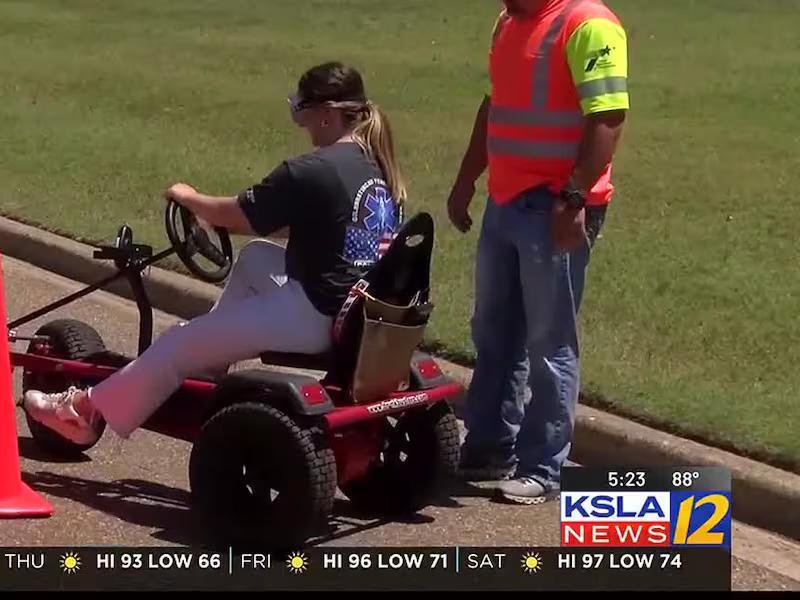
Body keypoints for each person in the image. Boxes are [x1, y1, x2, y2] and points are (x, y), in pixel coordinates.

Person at [24, 61, 406, 445]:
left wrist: (189, 198)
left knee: (179, 342)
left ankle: (83, 413)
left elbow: (237, 217)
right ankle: (208, 367)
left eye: (302, 112)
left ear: (325, 114)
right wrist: (216, 219)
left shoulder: (313, 170)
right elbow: (312, 225)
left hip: (316, 313)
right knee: (257, 258)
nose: (301, 123)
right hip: (359, 314)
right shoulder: (376, 164)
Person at [447, 0, 629, 503]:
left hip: (555, 205)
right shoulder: (509, 21)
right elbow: (495, 105)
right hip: (505, 199)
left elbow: (608, 115)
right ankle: (487, 446)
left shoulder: (588, 23)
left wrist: (574, 198)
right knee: (494, 330)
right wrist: (467, 180)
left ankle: (544, 467)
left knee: (549, 342)